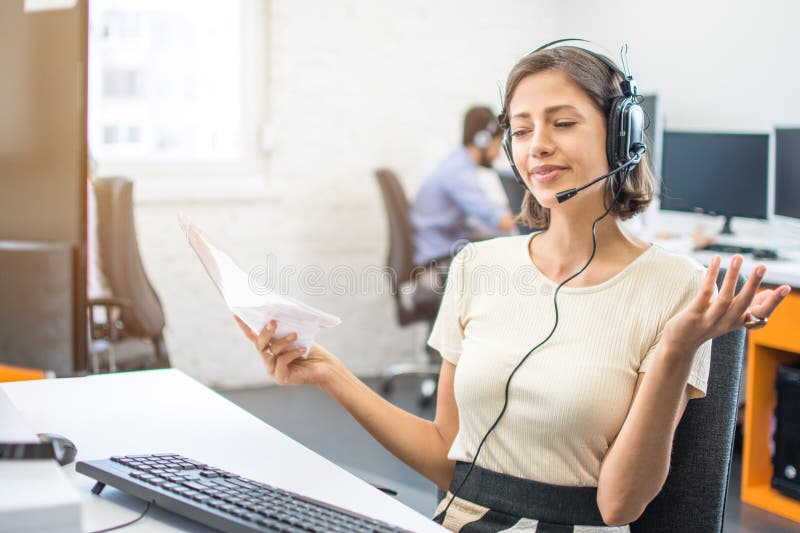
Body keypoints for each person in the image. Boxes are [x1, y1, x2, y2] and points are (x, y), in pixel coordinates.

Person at [234, 43, 792, 532]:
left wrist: (677, 348)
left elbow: (620, 505)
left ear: (623, 134)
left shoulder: (677, 286)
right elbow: (446, 458)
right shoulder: (476, 265)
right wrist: (329, 373)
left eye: (562, 122)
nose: (536, 146)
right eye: (520, 130)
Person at [410, 106, 516, 268]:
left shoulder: (457, 162)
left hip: (441, 241)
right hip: (441, 253)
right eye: (497, 145)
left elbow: (484, 210)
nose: (498, 153)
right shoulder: (458, 172)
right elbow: (501, 221)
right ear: (483, 140)